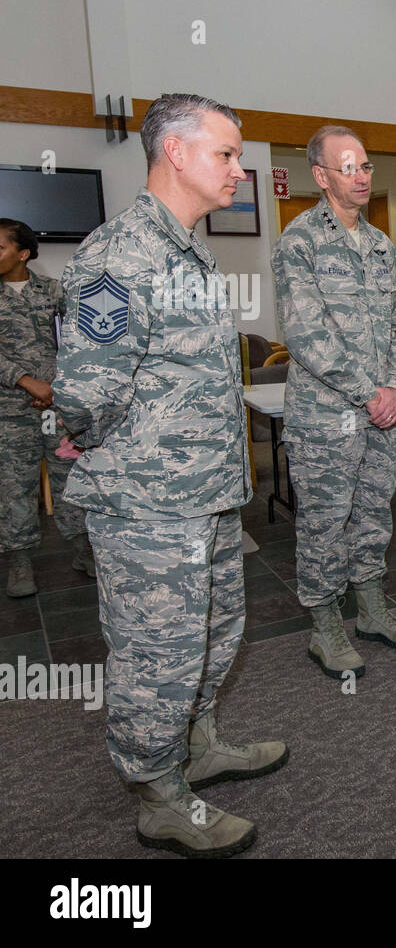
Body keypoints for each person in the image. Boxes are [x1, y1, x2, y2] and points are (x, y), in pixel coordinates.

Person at [54, 93, 287, 858]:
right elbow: (85, 393)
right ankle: (157, 792)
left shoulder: (189, 250)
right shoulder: (119, 255)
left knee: (213, 634)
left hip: (207, 494)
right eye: (226, 153)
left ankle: (198, 745)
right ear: (176, 153)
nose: (238, 169)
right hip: (147, 506)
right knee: (157, 652)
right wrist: (100, 448)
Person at [272, 125, 396, 681]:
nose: (362, 177)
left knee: (374, 513)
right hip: (326, 418)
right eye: (349, 168)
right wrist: (369, 393)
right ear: (321, 176)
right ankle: (325, 627)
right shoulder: (300, 241)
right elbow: (307, 336)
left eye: (366, 167)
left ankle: (373, 610)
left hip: (381, 415)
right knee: (325, 523)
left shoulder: (380, 245)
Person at [0, 218, 93, 597]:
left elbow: (80, 341)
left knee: (70, 478)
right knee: (13, 486)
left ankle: (83, 548)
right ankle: (19, 562)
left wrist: (56, 387)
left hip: (57, 408)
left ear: (23, 253)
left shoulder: (55, 291)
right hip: (10, 410)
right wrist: (27, 381)